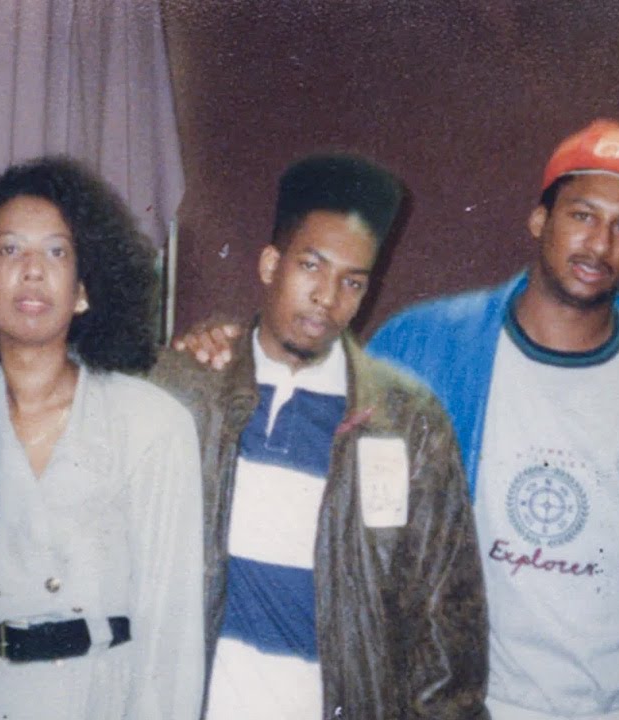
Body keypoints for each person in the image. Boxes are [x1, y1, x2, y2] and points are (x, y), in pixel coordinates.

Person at [154, 154, 489, 718]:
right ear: (270, 264)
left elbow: (445, 622)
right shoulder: (190, 393)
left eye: (351, 281)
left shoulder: (406, 423)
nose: (328, 297)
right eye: (312, 265)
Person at [369, 119, 619, 719]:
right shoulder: (425, 347)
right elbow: (320, 421)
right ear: (540, 220)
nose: (600, 245)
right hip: (481, 703)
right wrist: (231, 350)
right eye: (582, 215)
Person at [0, 157, 204, 720]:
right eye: (9, 249)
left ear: (83, 290)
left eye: (56, 252)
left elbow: (172, 636)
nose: (32, 270)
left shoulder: (152, 425)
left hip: (99, 699)